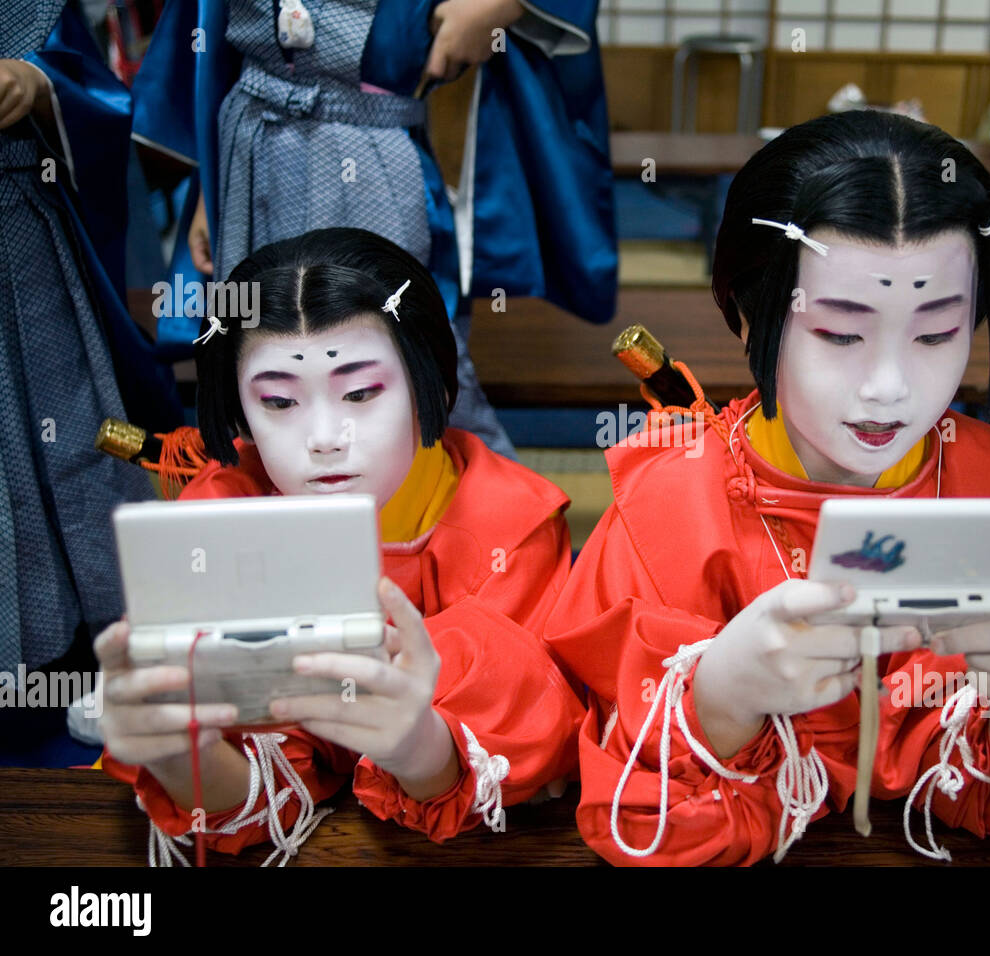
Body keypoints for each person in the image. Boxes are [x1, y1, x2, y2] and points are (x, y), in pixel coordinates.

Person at [541, 109, 990, 867]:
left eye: (935, 334)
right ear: (748, 317)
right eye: (840, 334)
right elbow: (635, 811)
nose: (889, 390)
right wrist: (717, 697)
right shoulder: (665, 515)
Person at [97, 228, 583, 864]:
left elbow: (526, 761)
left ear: (429, 387)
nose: (325, 437)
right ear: (241, 416)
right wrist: (177, 752)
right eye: (278, 401)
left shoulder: (511, 527)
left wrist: (421, 749)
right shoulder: (223, 516)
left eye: (360, 393)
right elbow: (245, 792)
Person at [130, 0, 617, 456]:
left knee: (404, 353)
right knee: (260, 355)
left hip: (374, 140)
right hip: (250, 143)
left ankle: (488, 530)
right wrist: (206, 193)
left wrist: (501, 4)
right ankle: (288, 522)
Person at [0, 0, 181, 762]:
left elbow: (98, 89)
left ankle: (95, 650)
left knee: (80, 444)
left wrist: (39, 87)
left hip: (23, 229)